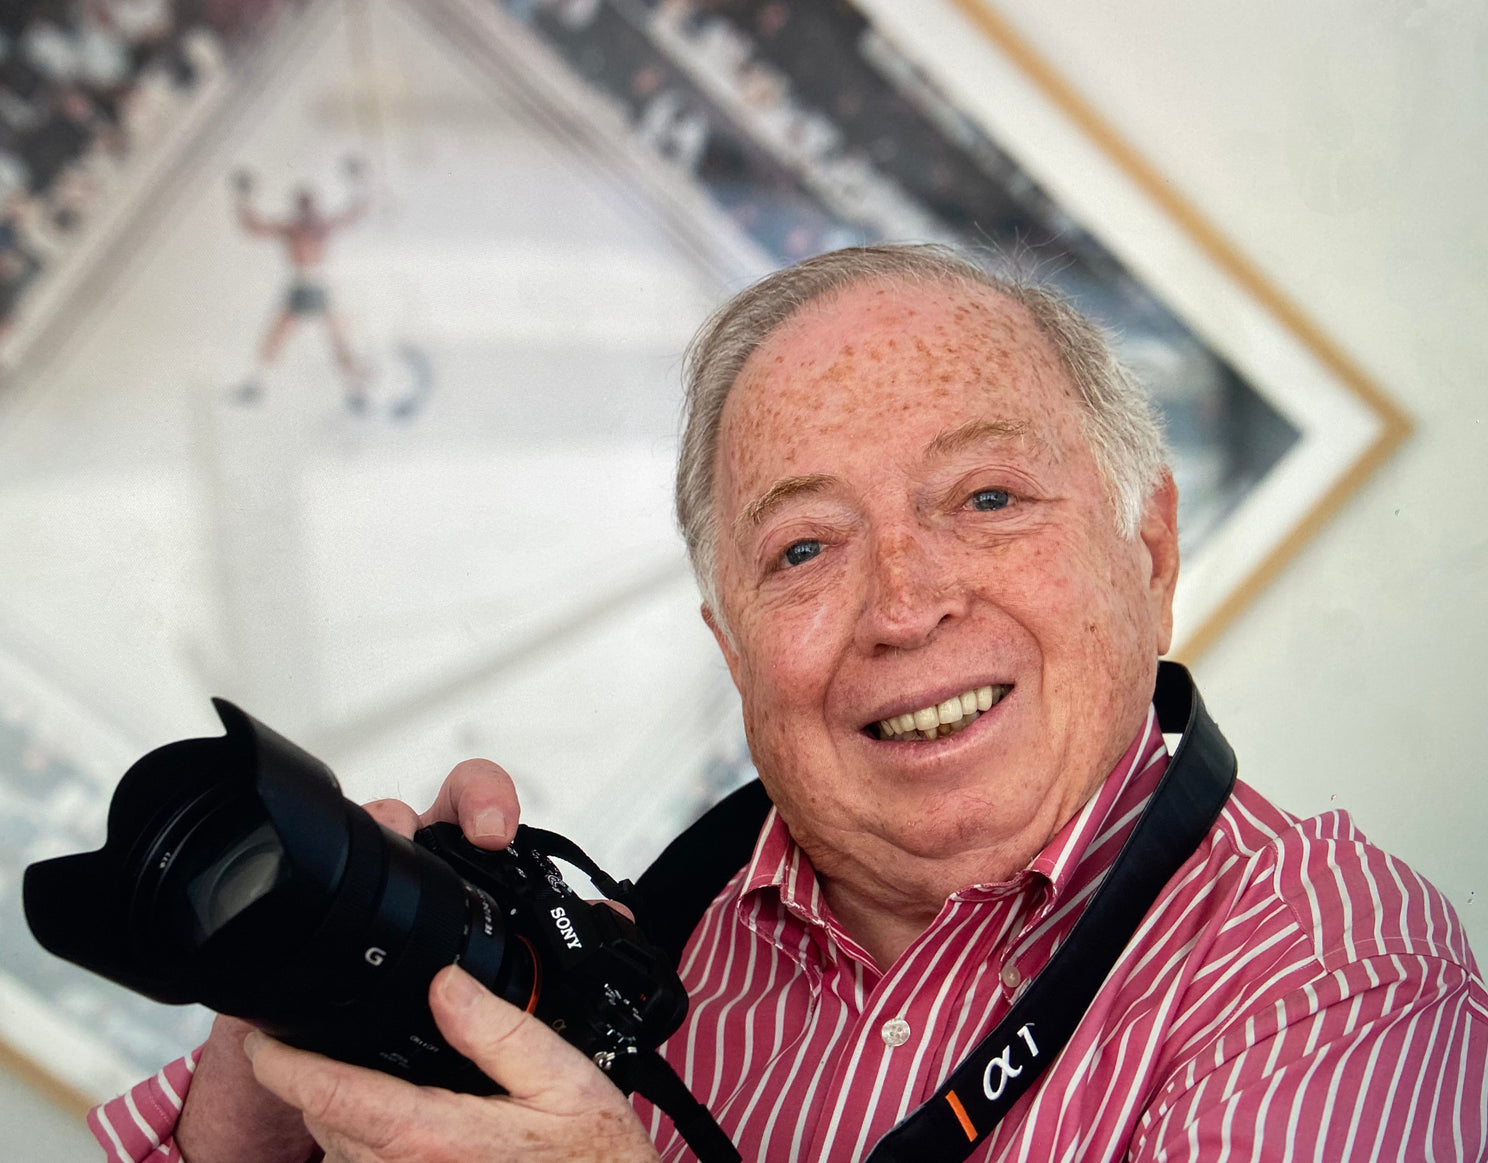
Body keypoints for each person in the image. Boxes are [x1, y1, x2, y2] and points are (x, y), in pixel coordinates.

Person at [90, 244, 1487, 1162]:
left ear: (1152, 546)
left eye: (988, 497)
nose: (904, 602)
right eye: (804, 548)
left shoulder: (1336, 982)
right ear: (733, 639)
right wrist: (290, 1044)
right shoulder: (603, 955)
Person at [231, 159, 370, 411]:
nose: (306, 209)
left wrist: (358, 182)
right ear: (298, 206)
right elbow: (254, 227)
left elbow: (353, 214)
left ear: (314, 205)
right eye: (302, 204)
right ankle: (256, 382)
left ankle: (356, 390)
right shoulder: (292, 228)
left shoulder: (321, 226)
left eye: (309, 204)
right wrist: (243, 196)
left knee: (338, 341)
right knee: (277, 336)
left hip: (316, 285)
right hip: (300, 286)